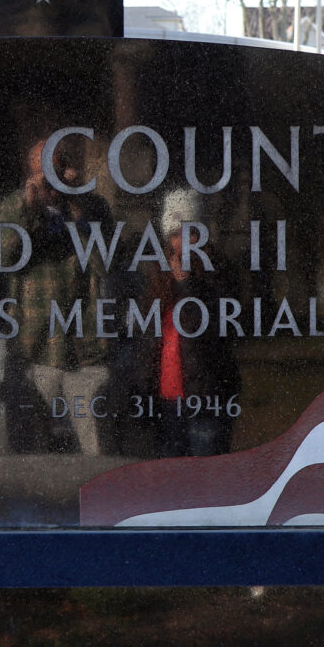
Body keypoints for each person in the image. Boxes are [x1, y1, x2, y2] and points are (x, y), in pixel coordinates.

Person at [0, 137, 114, 455]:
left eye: (57, 168)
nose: (52, 180)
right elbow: (3, 259)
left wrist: (76, 206)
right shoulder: (14, 206)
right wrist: (27, 210)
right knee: (31, 452)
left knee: (96, 451)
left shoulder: (93, 208)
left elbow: (104, 265)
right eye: (44, 172)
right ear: (30, 173)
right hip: (36, 347)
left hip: (84, 347)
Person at [141, 189, 242, 458]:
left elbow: (212, 330)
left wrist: (187, 286)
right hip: (167, 400)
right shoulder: (160, 279)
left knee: (205, 484)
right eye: (175, 234)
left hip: (205, 399)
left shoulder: (218, 272)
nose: (183, 242)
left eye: (190, 232)